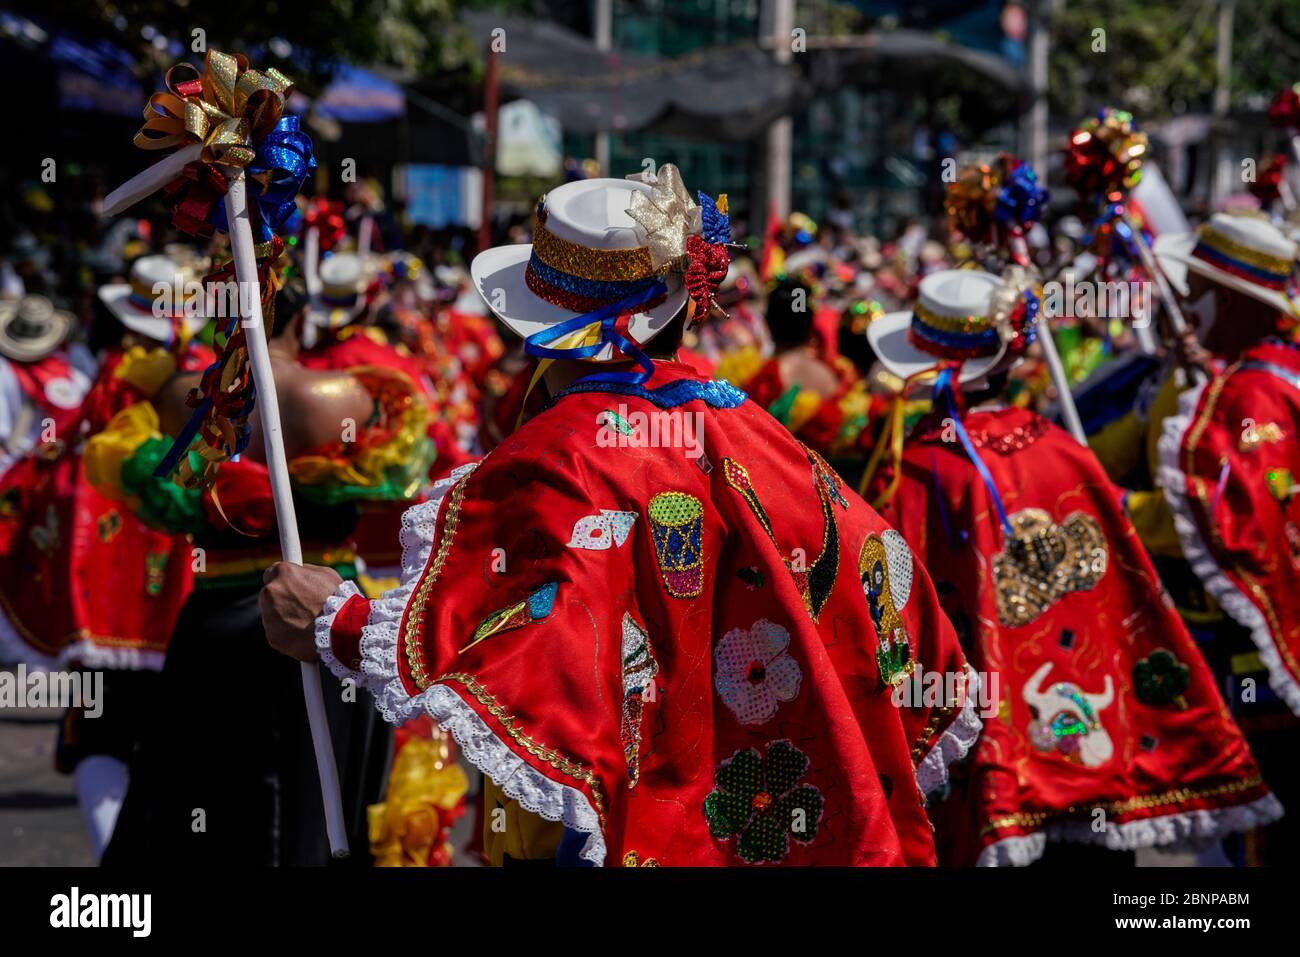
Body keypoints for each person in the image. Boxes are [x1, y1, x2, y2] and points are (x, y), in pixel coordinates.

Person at [259, 168, 980, 866]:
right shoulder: (765, 434)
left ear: (545, 330)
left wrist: (338, 622)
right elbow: (893, 594)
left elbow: (532, 653)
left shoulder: (563, 455)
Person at [864, 266, 1279, 865]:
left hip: (991, 764)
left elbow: (894, 615)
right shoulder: (1066, 450)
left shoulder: (923, 469)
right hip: (1092, 751)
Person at [91, 279, 438, 866]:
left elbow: (149, 490)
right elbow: (404, 481)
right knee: (318, 798)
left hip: (216, 626)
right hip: (325, 620)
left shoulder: (181, 395)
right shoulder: (343, 395)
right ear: (301, 323)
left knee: (203, 795)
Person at [1154, 212, 1300, 863]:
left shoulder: (1251, 393)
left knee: (1262, 827)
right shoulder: (1266, 372)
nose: (1187, 304)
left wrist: (1111, 512)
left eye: (1199, 289)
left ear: (1239, 301)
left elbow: (1227, 513)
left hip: (1260, 661)